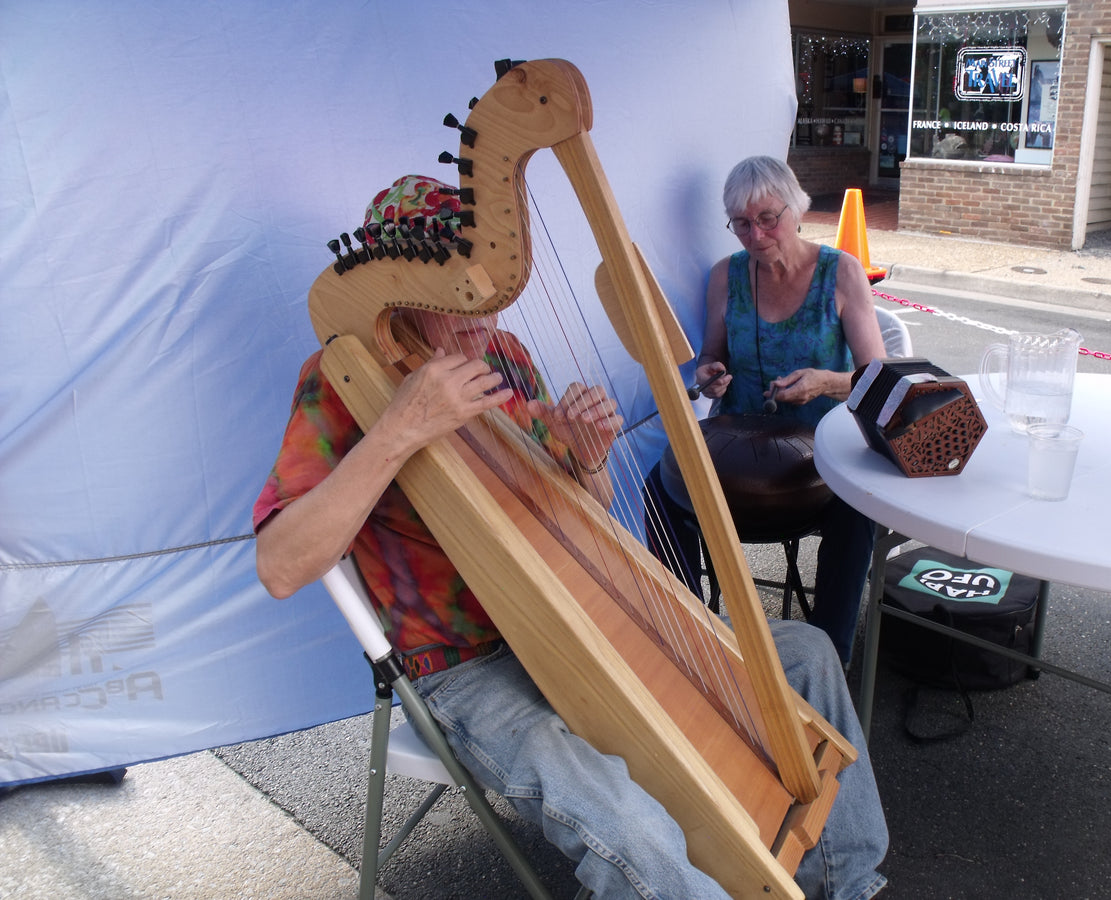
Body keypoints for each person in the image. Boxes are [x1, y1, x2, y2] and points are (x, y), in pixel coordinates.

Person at [253, 175, 887, 899]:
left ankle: (851, 886)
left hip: (575, 614)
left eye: (491, 299)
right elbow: (280, 566)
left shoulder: (505, 356)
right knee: (628, 817)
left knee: (804, 655)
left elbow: (589, 504)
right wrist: (399, 430)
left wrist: (585, 457)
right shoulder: (340, 383)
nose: (485, 323)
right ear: (401, 297)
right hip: (468, 666)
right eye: (461, 304)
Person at [643, 156, 886, 666]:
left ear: (796, 209)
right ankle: (689, 633)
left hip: (821, 456)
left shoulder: (840, 273)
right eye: (741, 223)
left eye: (768, 218)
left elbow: (878, 381)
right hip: (739, 452)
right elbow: (713, 354)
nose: (755, 235)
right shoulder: (725, 276)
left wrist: (826, 382)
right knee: (660, 485)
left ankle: (828, 656)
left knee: (859, 505)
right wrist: (710, 372)